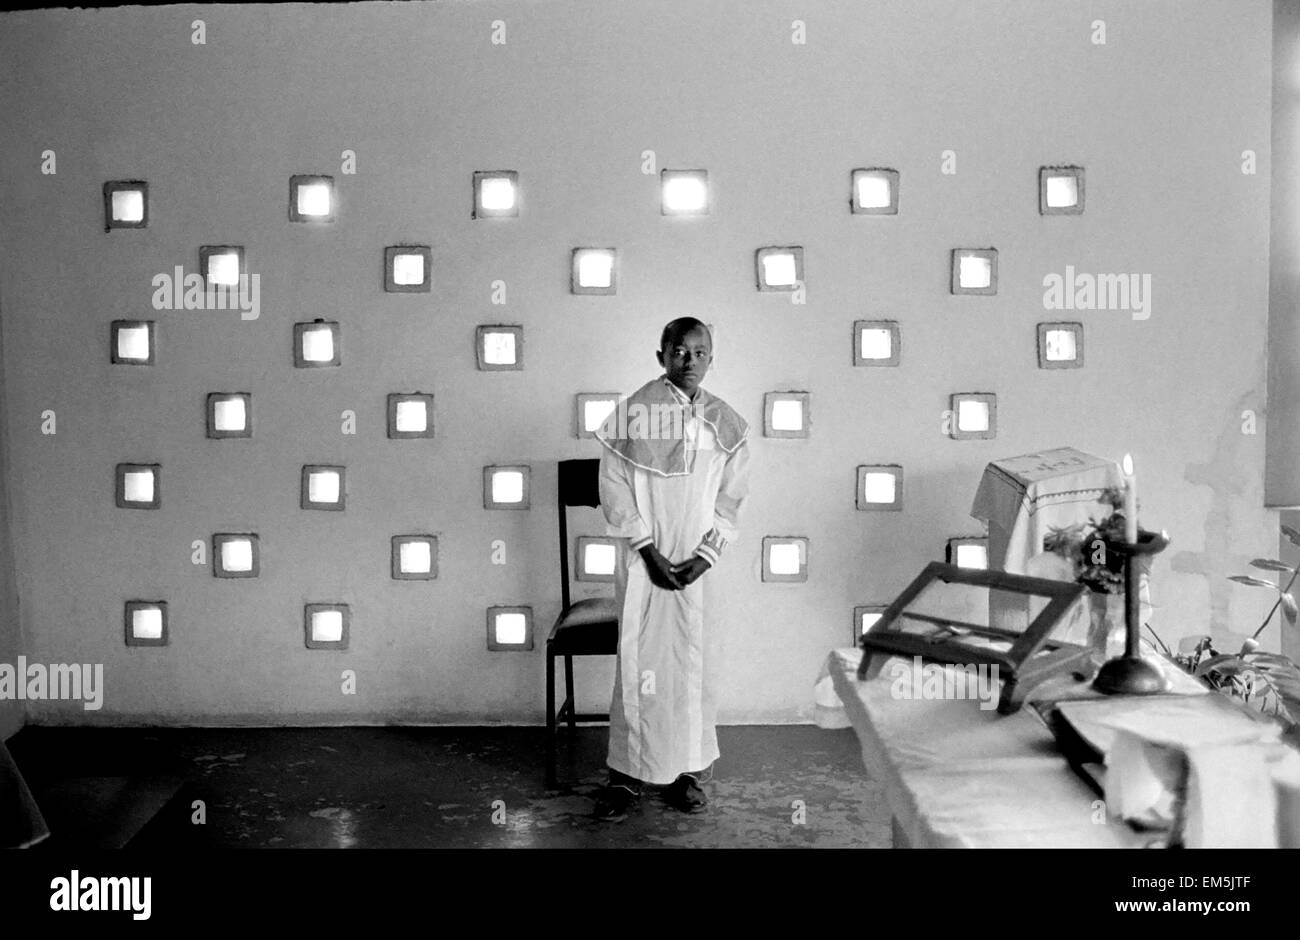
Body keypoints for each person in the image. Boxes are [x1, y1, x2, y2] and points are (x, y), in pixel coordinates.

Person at [590, 317, 751, 819]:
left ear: (711, 358)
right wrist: (648, 551)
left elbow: (732, 498)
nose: (689, 362)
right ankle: (626, 775)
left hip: (695, 566)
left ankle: (687, 772)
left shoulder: (725, 422)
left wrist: (706, 557)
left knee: (694, 666)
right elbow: (613, 487)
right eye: (679, 352)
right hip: (645, 561)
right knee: (639, 666)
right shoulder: (633, 415)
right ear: (661, 354)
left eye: (700, 353)